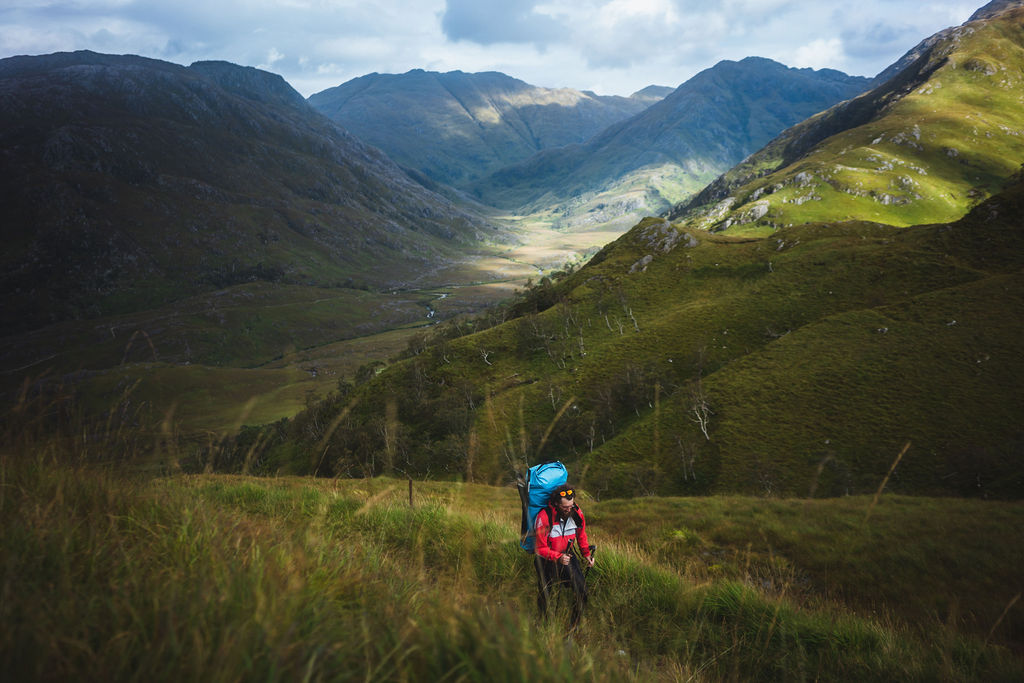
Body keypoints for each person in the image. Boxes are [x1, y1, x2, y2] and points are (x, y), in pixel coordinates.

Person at [533, 486, 594, 629]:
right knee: (546, 594)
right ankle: (544, 624)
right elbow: (540, 548)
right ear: (556, 504)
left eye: (571, 505)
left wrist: (586, 554)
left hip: (568, 556)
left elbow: (581, 535)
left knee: (582, 591)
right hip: (546, 560)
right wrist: (557, 557)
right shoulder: (544, 517)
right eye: (565, 507)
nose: (569, 509)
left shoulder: (576, 513)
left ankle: (574, 626)